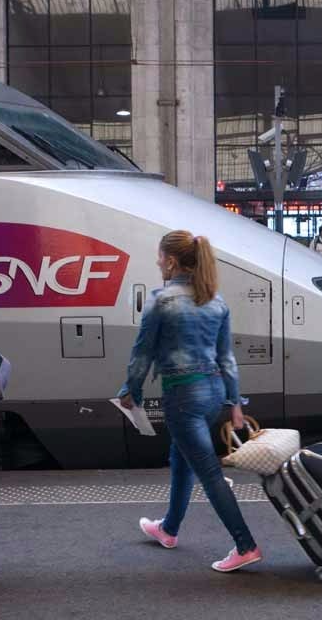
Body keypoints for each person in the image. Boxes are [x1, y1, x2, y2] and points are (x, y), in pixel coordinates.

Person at [120, 230, 262, 573]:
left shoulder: (161, 300)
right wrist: (234, 402)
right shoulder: (216, 301)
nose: (157, 262)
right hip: (213, 393)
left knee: (209, 473)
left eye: (159, 257)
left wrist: (131, 391)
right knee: (181, 457)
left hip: (183, 396)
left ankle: (246, 545)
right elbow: (227, 358)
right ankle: (168, 529)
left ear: (171, 261)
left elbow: (142, 353)